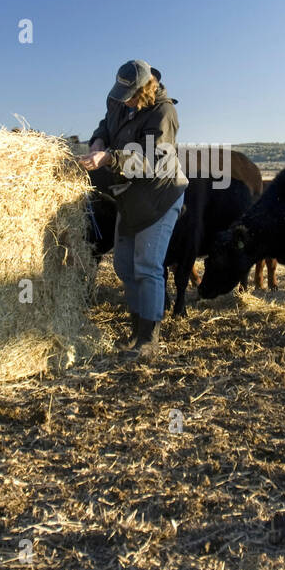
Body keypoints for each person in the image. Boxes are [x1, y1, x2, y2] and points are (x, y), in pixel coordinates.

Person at [77, 60, 187, 358]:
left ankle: (148, 339)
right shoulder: (117, 101)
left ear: (145, 88)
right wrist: (98, 141)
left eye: (129, 95)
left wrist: (109, 159)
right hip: (129, 195)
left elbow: (151, 163)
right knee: (124, 265)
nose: (122, 100)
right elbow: (105, 126)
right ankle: (136, 329)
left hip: (159, 195)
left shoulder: (164, 113)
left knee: (147, 264)